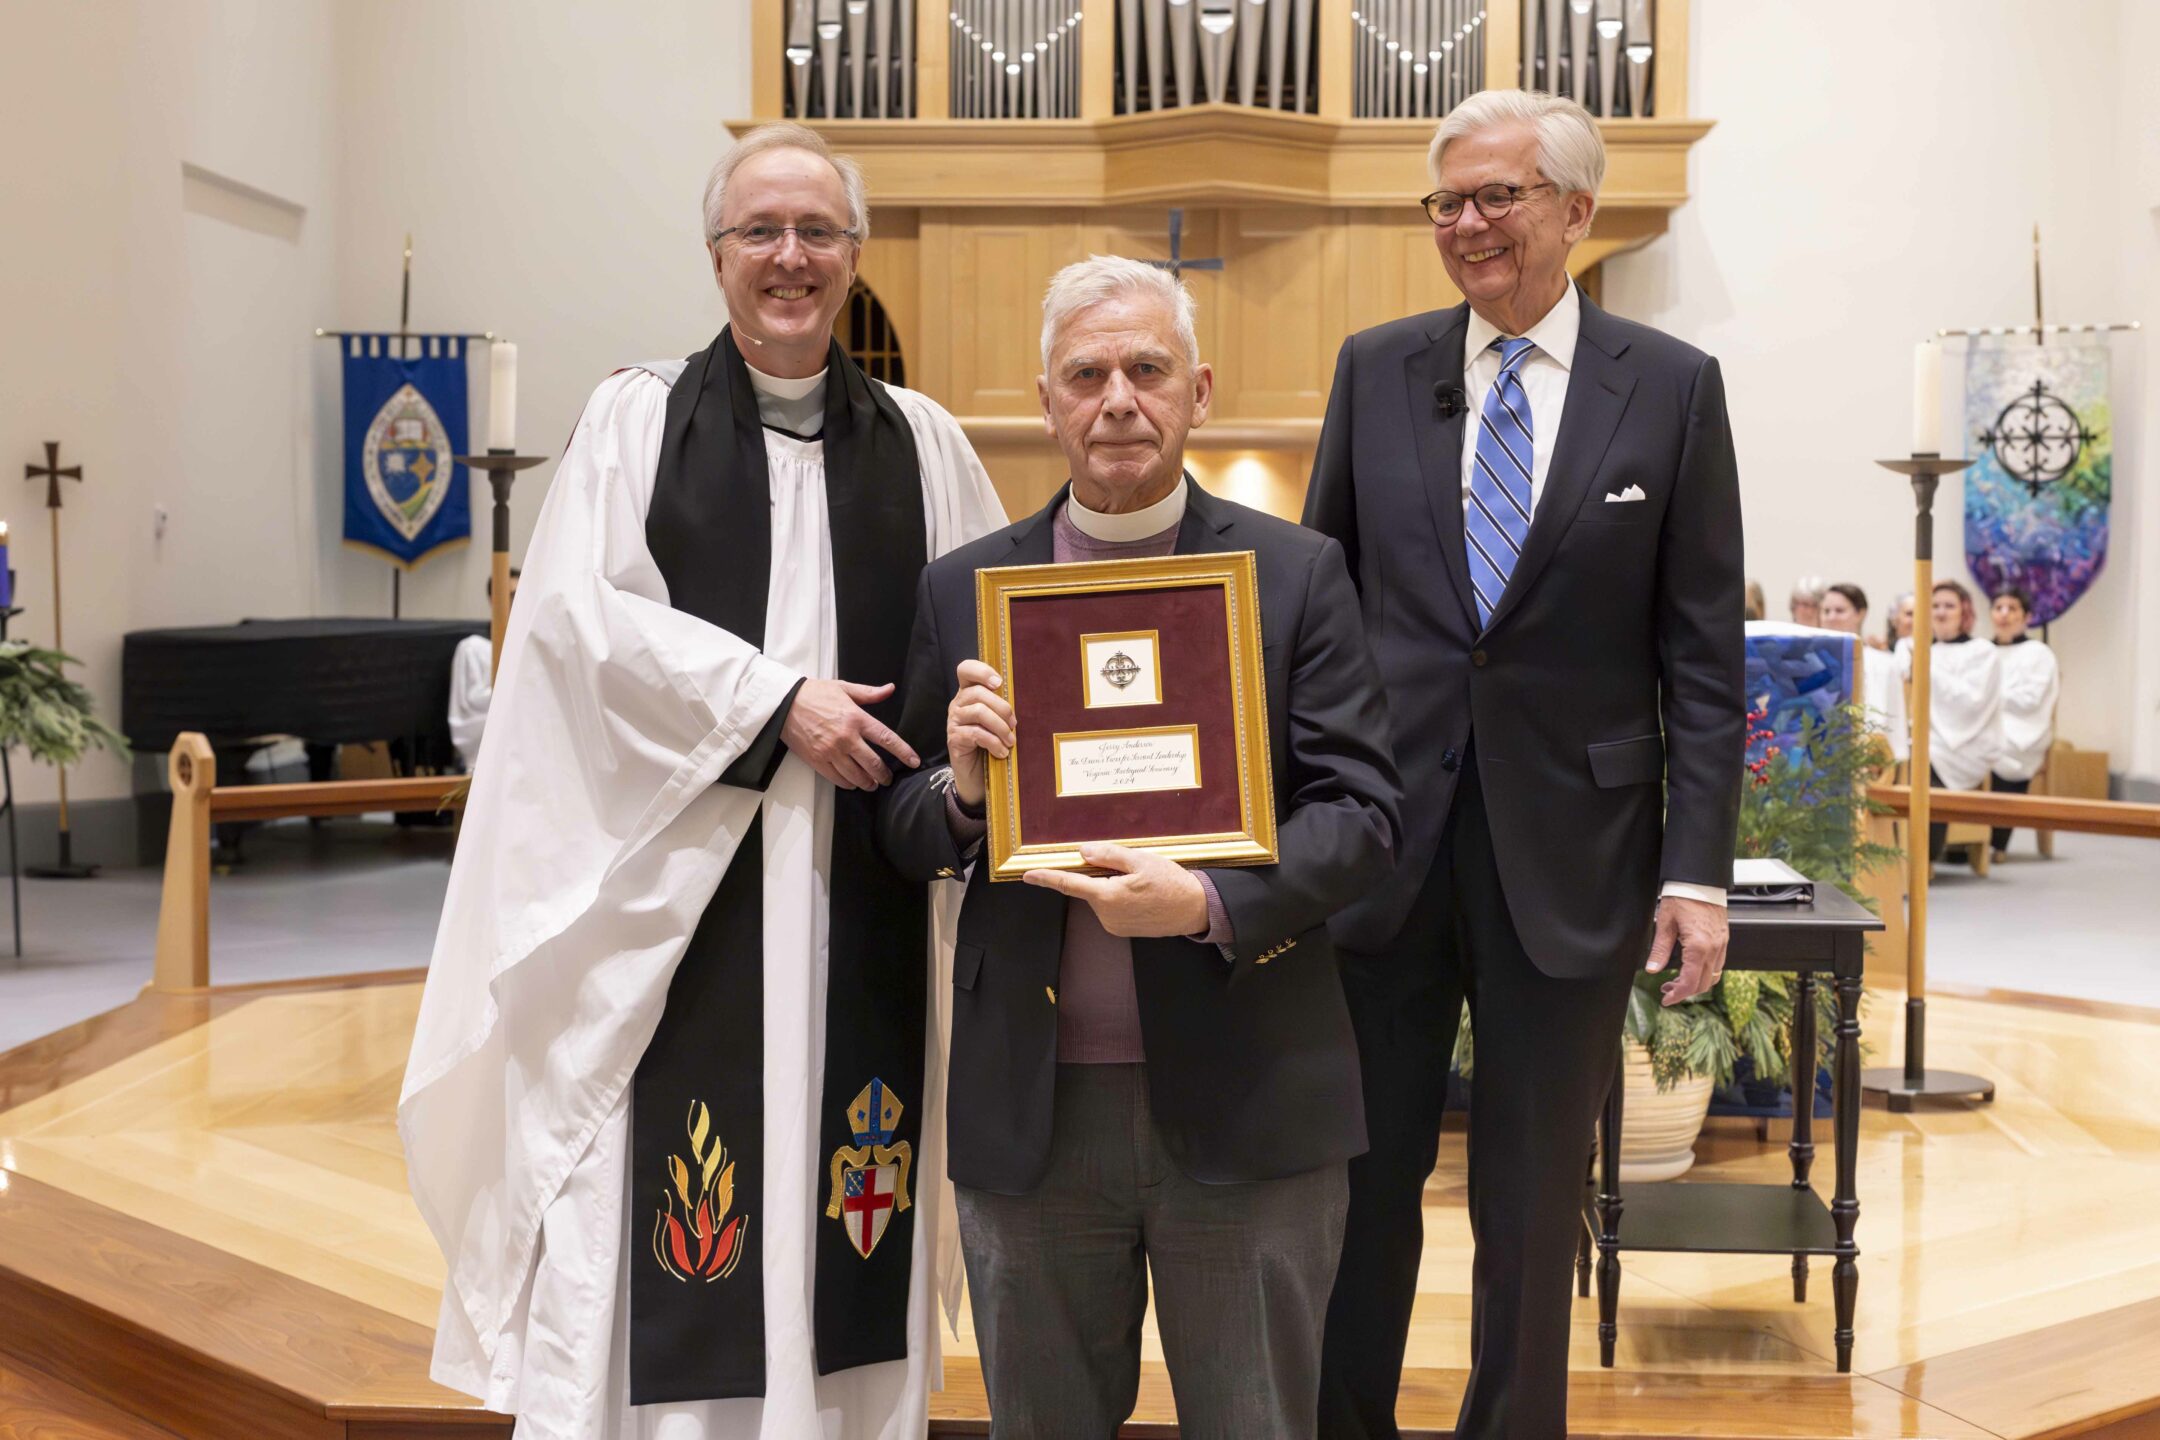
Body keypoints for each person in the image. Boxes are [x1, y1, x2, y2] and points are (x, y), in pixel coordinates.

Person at [399, 123, 1006, 1440]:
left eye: (817, 233)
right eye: (759, 234)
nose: (789, 259)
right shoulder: (635, 424)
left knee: (852, 1187)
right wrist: (772, 701)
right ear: (717, 255)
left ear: (855, 255)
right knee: (671, 1194)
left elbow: (977, 646)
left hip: (869, 896)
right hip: (678, 894)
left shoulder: (924, 443)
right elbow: (573, 627)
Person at [878, 256, 1402, 1438]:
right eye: (1088, 374)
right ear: (1048, 400)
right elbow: (899, 822)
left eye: (1147, 369)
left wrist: (1209, 902)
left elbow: (1365, 816)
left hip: (1253, 1094)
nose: (1119, 397)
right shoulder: (965, 587)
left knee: (1257, 1422)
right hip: (1034, 1112)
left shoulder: (1298, 574)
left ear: (1198, 391)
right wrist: (960, 793)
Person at [1302, 89, 1744, 1440]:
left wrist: (1699, 873)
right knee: (1361, 1187)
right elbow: (1321, 607)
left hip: (1579, 858)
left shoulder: (1669, 388)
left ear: (1575, 209)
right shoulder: (1374, 368)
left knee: (1530, 1193)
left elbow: (1704, 657)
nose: (1468, 224)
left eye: (1496, 196)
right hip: (1385, 848)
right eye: (1447, 203)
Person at [1922, 579, 2001, 864]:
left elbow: (1973, 703)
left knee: (1923, 767)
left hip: (1967, 742)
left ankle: (1923, 860)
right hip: (1930, 738)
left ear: (1964, 613)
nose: (1941, 612)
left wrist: (1926, 668)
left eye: (1949, 606)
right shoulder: (1921, 649)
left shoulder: (1982, 651)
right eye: (1935, 606)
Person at [1988, 587, 2059, 856]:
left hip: (2022, 727)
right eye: (1998, 608)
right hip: (1984, 722)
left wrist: (1985, 700)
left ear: (2026, 616)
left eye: (2012, 608)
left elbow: (2030, 700)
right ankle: (1962, 839)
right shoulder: (1979, 650)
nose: (2004, 614)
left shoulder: (2037, 653)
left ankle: (1996, 841)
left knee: (1997, 747)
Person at [1819, 582, 1906, 763]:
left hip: (1866, 756)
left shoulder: (1882, 663)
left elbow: (1882, 719)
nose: (1831, 617)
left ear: (1860, 613)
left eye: (1840, 610)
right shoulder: (1811, 661)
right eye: (1826, 611)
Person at [447, 566, 518, 769]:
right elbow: (468, 710)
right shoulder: (473, 649)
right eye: (512, 595)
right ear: (492, 599)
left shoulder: (532, 646)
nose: (518, 602)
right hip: (486, 761)